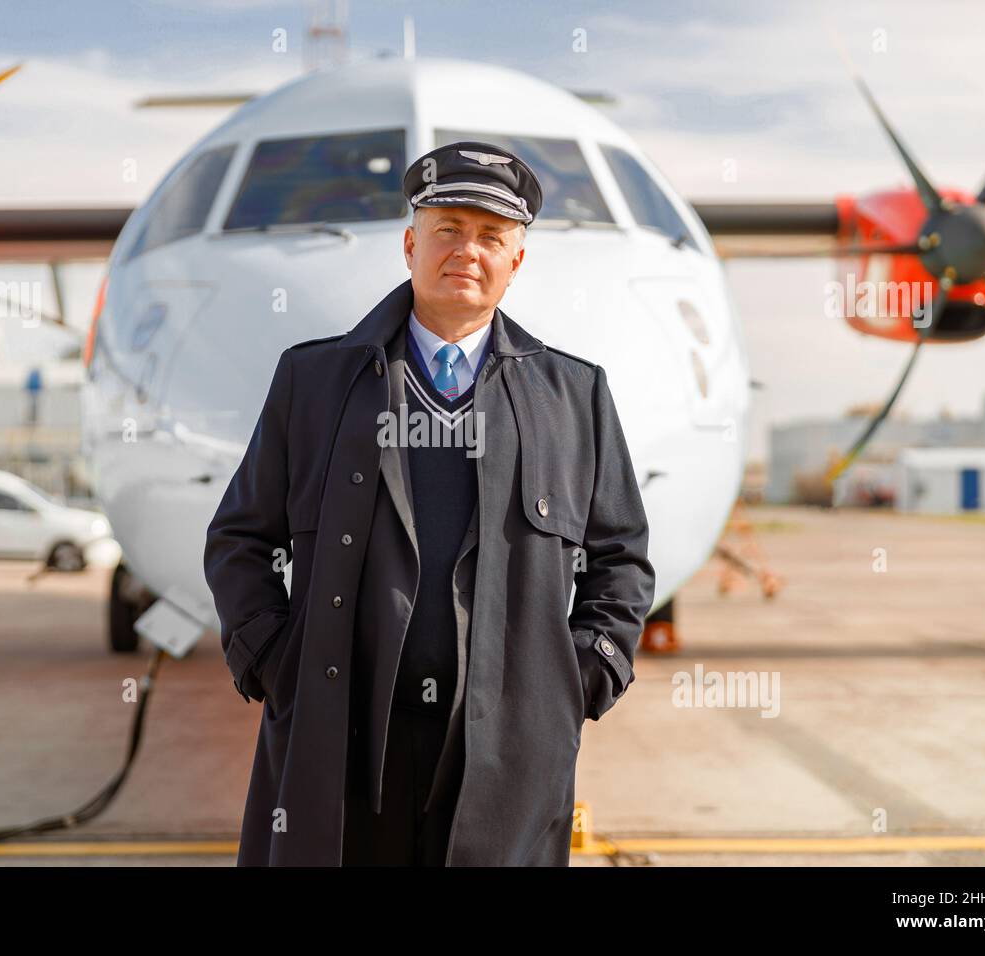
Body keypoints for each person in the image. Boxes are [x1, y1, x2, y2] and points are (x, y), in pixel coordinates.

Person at [203, 141, 655, 866]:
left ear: (517, 261)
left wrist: (577, 678)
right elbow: (239, 539)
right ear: (411, 244)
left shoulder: (575, 398)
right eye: (448, 230)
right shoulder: (313, 382)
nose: (467, 251)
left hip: (504, 747)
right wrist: (273, 659)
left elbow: (621, 560)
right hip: (344, 737)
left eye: (490, 237)